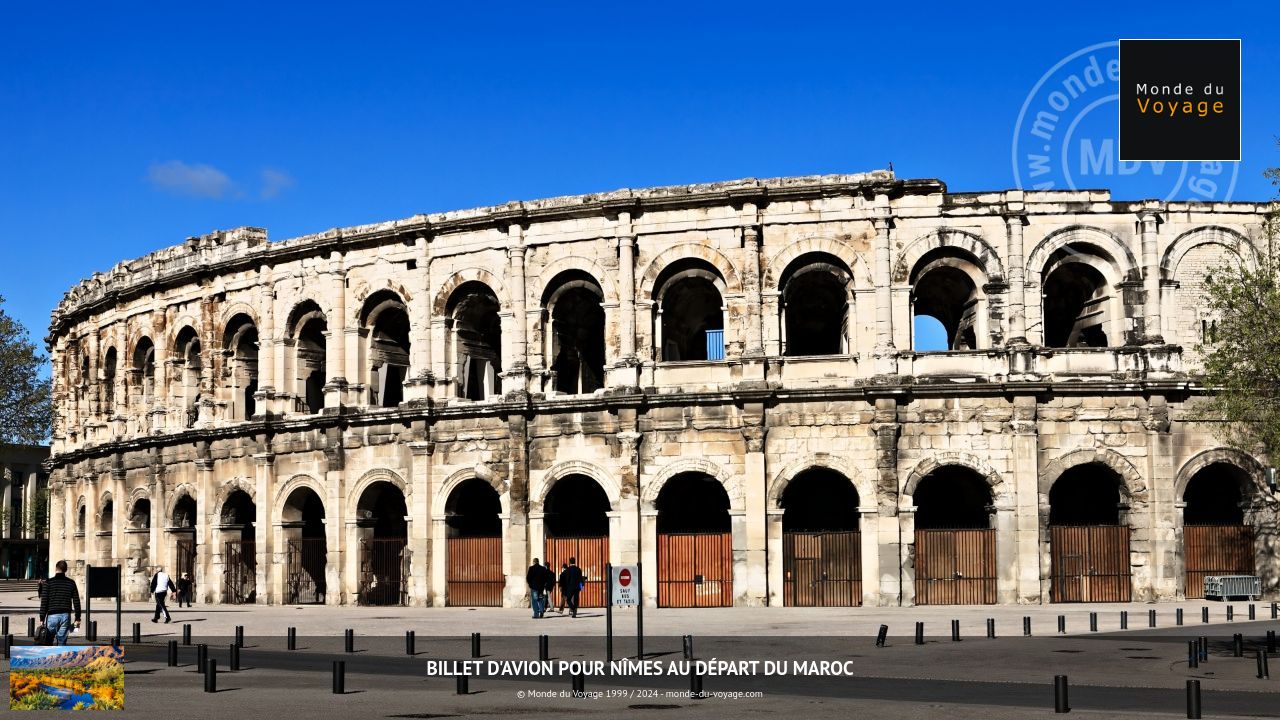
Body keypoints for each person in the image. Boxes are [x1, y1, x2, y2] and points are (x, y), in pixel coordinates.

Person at [39, 560, 81, 646]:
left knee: (48, 641)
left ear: (56, 568)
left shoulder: (48, 582)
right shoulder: (71, 582)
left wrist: (42, 618)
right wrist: (77, 617)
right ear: (66, 570)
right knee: (62, 642)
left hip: (52, 615)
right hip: (66, 615)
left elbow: (44, 601)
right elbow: (76, 601)